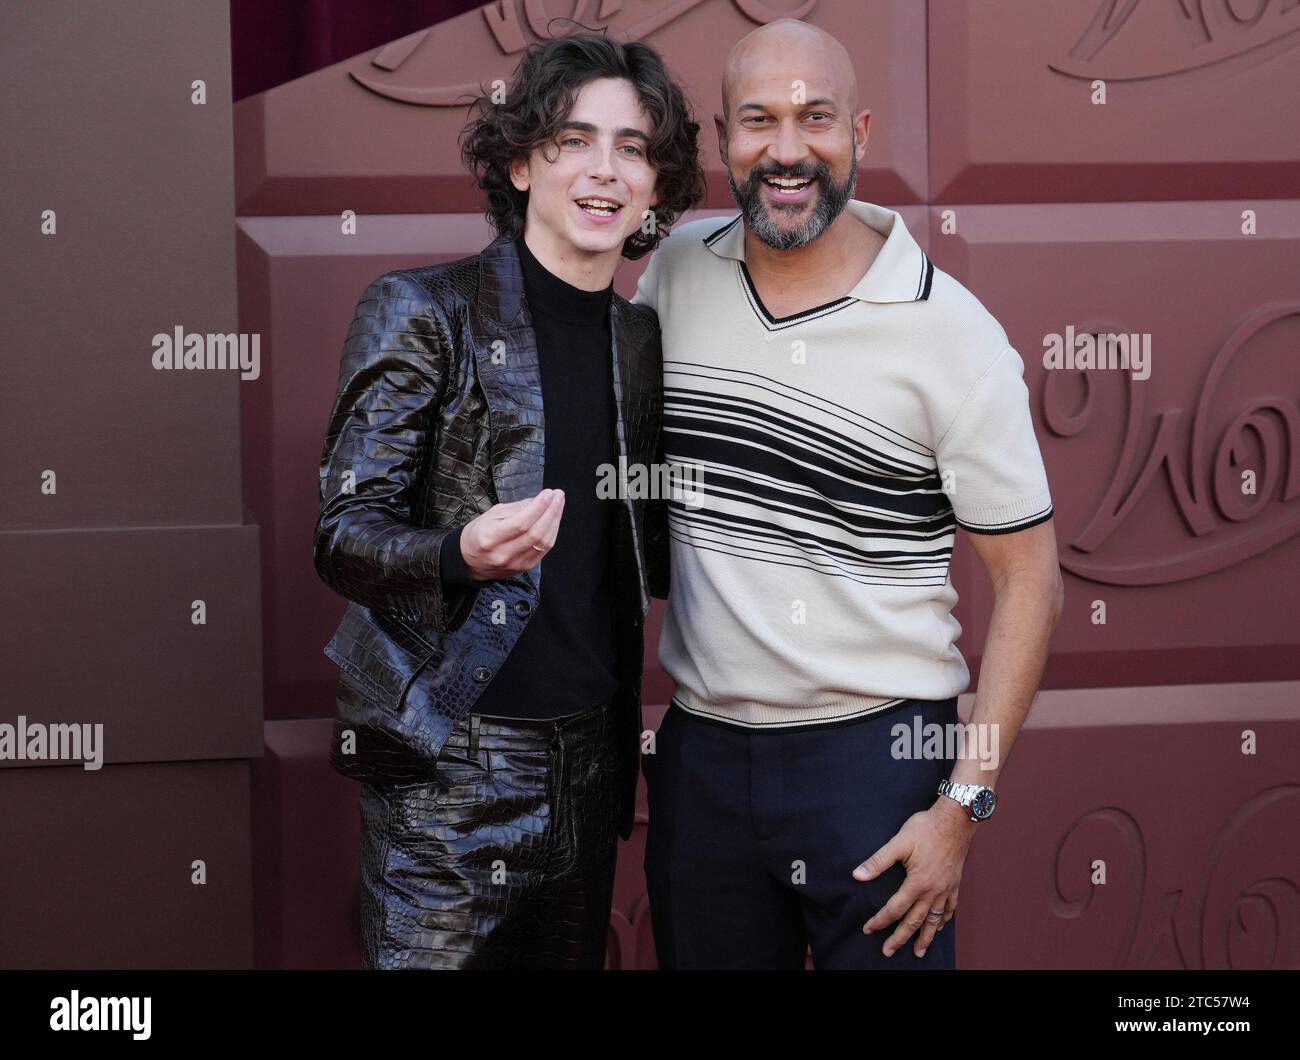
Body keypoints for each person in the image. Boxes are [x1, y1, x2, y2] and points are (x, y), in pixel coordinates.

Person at [632, 19, 1065, 969]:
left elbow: (1031, 579)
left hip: (881, 762)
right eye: (759, 121)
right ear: (723, 137)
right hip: (701, 753)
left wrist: (964, 804)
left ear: (860, 132)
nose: (788, 150)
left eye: (815, 117)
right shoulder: (671, 277)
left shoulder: (950, 331)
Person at [313, 32, 704, 969]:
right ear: (523, 162)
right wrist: (458, 553)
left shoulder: (642, 340)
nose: (605, 171)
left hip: (591, 769)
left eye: (635, 148)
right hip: (445, 776)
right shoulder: (421, 309)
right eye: (575, 141)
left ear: (655, 185)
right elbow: (342, 532)